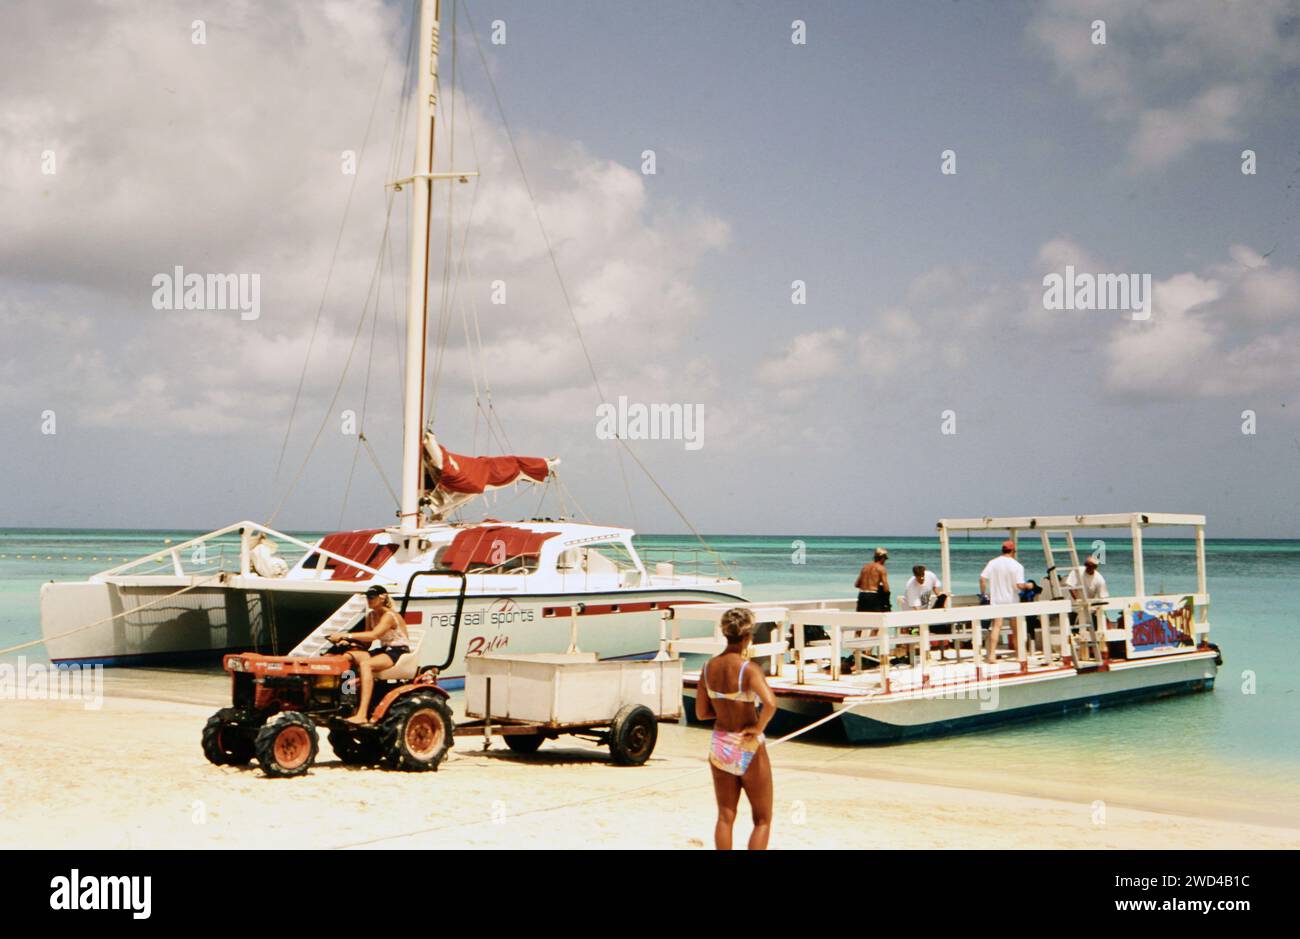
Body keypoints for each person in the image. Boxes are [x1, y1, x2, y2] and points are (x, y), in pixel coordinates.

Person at [696, 607, 777, 850]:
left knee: (725, 816)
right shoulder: (747, 669)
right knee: (762, 819)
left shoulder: (709, 667)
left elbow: (701, 713)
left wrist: (722, 710)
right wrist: (758, 727)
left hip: (721, 743)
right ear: (747, 636)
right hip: (746, 743)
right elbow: (771, 703)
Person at [328, 585, 411, 725]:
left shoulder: (390, 616)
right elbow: (367, 644)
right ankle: (347, 701)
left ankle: (362, 715)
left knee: (366, 664)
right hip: (384, 650)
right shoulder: (371, 616)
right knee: (347, 658)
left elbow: (374, 635)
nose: (368, 600)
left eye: (372, 597)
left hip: (398, 651)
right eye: (367, 597)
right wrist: (348, 643)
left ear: (382, 598)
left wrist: (345, 634)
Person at [979, 540, 1030, 665]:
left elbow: (982, 579)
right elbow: (1019, 586)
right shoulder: (1017, 566)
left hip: (997, 600)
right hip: (1012, 600)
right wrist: (1028, 586)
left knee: (996, 626)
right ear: (1013, 551)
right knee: (1015, 628)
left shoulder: (993, 563)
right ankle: (1019, 654)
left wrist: (983, 594)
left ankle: (991, 655)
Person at [855, 547, 891, 612]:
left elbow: (857, 584)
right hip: (873, 596)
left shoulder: (865, 567)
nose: (885, 561)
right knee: (877, 620)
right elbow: (886, 588)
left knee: (862, 619)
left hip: (862, 595)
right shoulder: (881, 568)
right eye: (885, 558)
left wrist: (867, 585)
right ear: (882, 558)